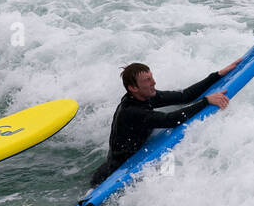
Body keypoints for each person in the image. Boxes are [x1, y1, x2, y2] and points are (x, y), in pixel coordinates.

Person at [88, 58, 240, 187]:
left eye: (151, 77)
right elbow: (171, 120)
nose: (153, 82)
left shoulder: (144, 96)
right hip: (113, 174)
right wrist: (206, 101)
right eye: (147, 80)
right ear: (133, 88)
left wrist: (217, 75)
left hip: (123, 163)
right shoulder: (131, 111)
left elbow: (184, 96)